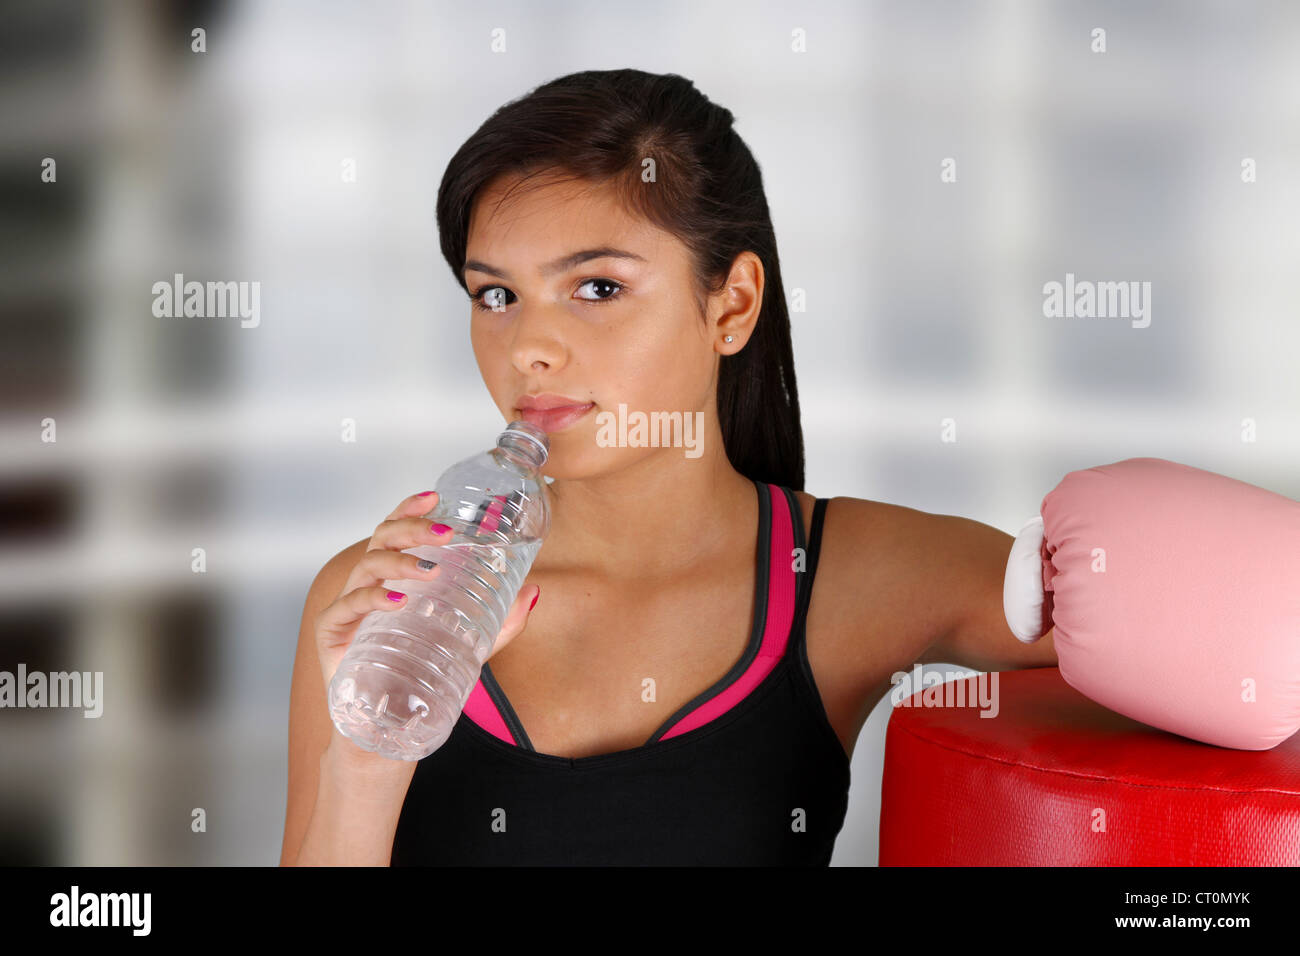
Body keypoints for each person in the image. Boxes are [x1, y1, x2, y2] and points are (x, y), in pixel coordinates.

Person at [280, 69, 1058, 867]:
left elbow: (1163, 631)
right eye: (496, 296)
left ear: (731, 306)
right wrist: (367, 763)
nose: (528, 349)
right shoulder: (376, 601)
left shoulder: (861, 576)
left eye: (598, 285)